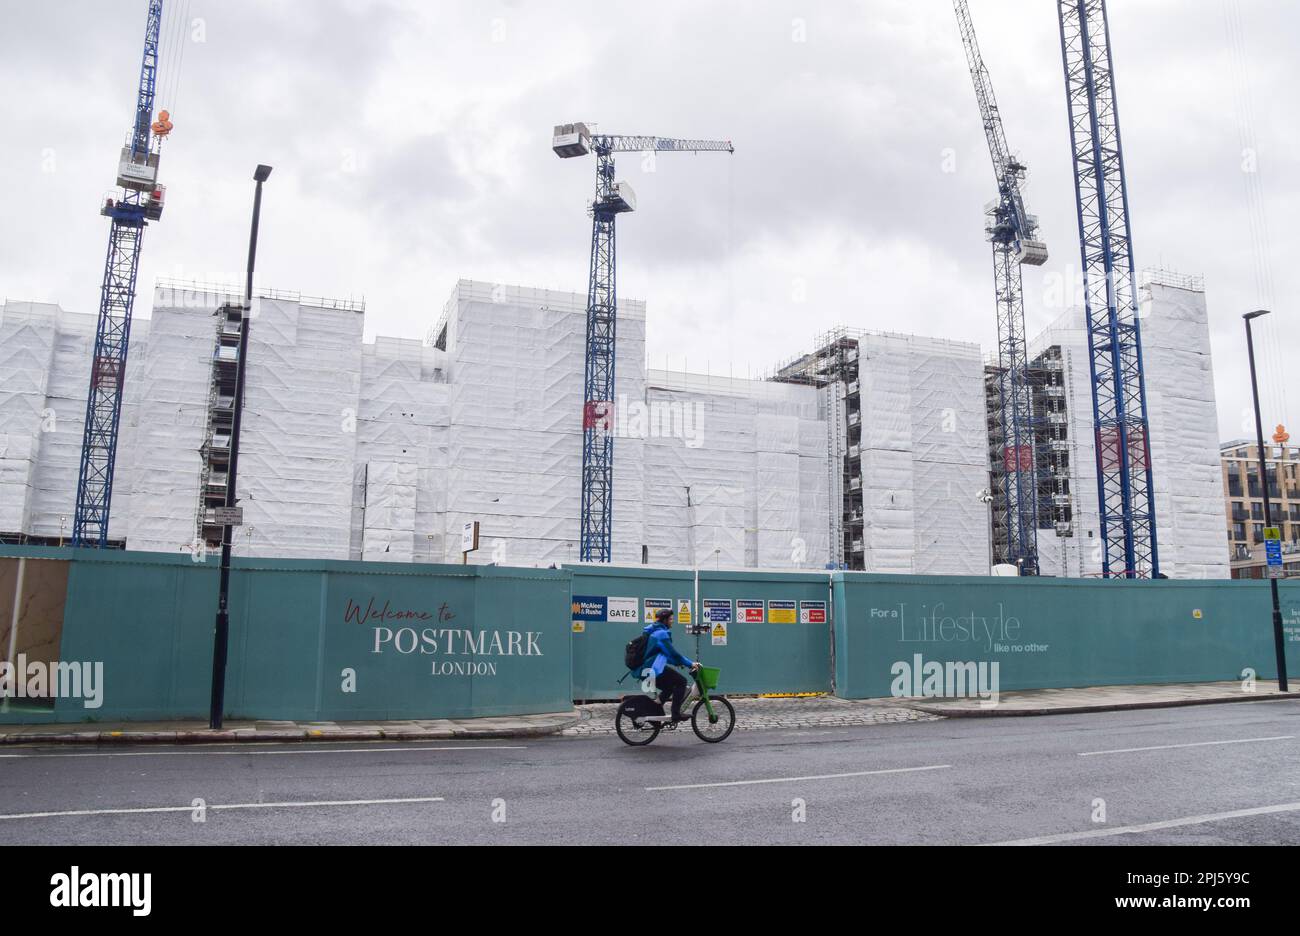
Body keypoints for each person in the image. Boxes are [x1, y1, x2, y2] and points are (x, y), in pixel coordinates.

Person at [639, 608, 700, 722]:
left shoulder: (656, 632)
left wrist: (678, 663)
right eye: (671, 619)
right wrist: (690, 663)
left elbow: (665, 656)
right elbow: (674, 654)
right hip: (651, 669)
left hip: (648, 669)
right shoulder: (661, 634)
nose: (673, 621)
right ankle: (676, 714)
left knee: (670, 687)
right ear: (665, 620)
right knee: (681, 681)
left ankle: (655, 708)